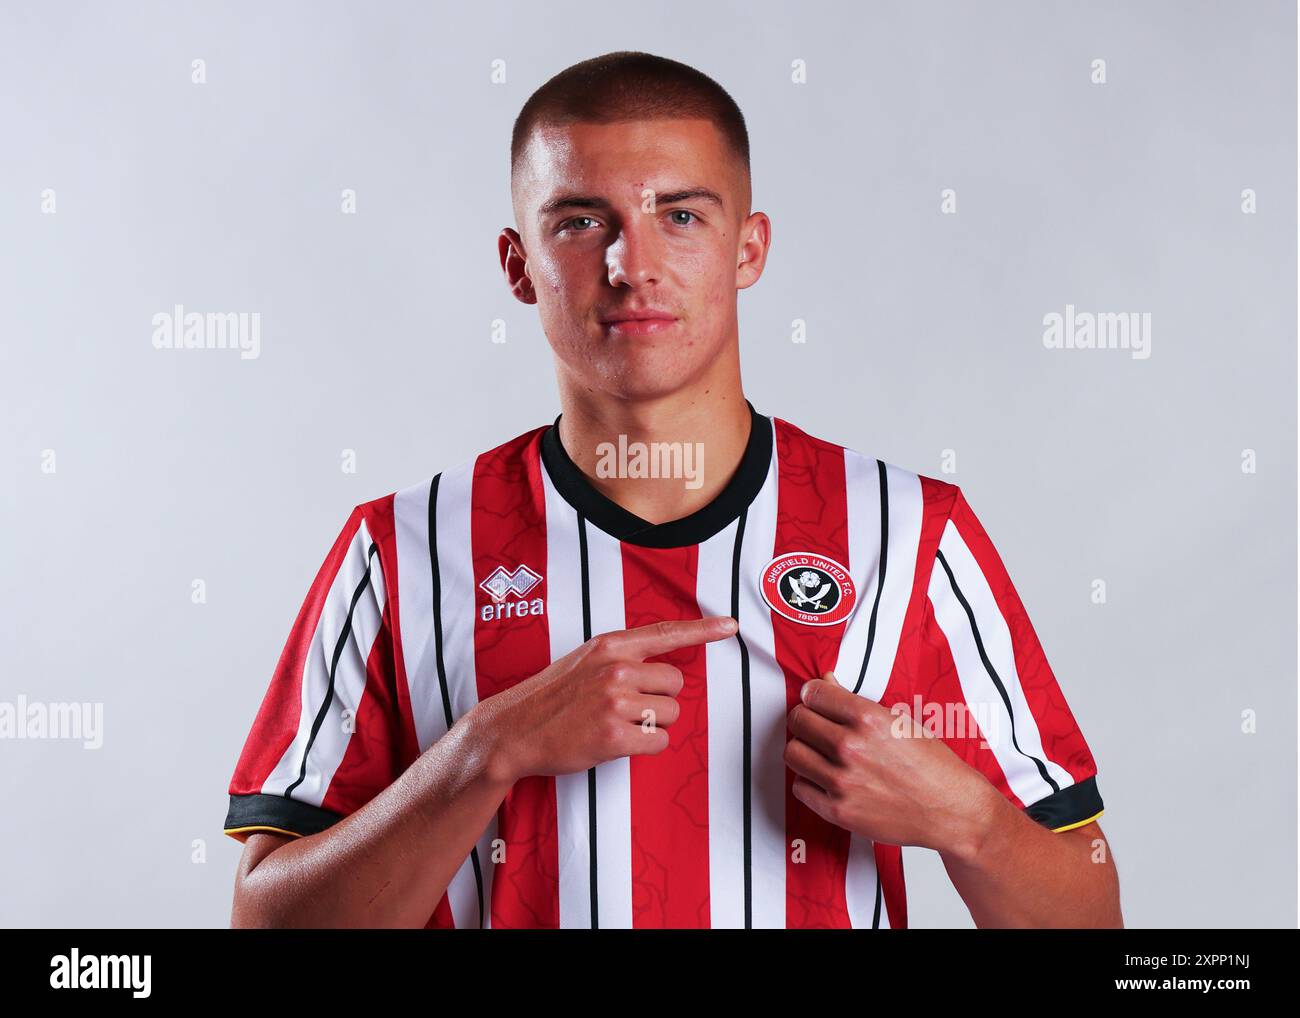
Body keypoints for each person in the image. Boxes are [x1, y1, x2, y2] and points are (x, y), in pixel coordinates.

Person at [223, 50, 1122, 929]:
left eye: (681, 216)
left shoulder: (909, 533)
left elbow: (1092, 920)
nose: (631, 263)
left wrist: (965, 823)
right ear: (515, 263)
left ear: (749, 247)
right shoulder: (402, 548)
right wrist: (484, 753)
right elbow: (264, 923)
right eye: (580, 222)